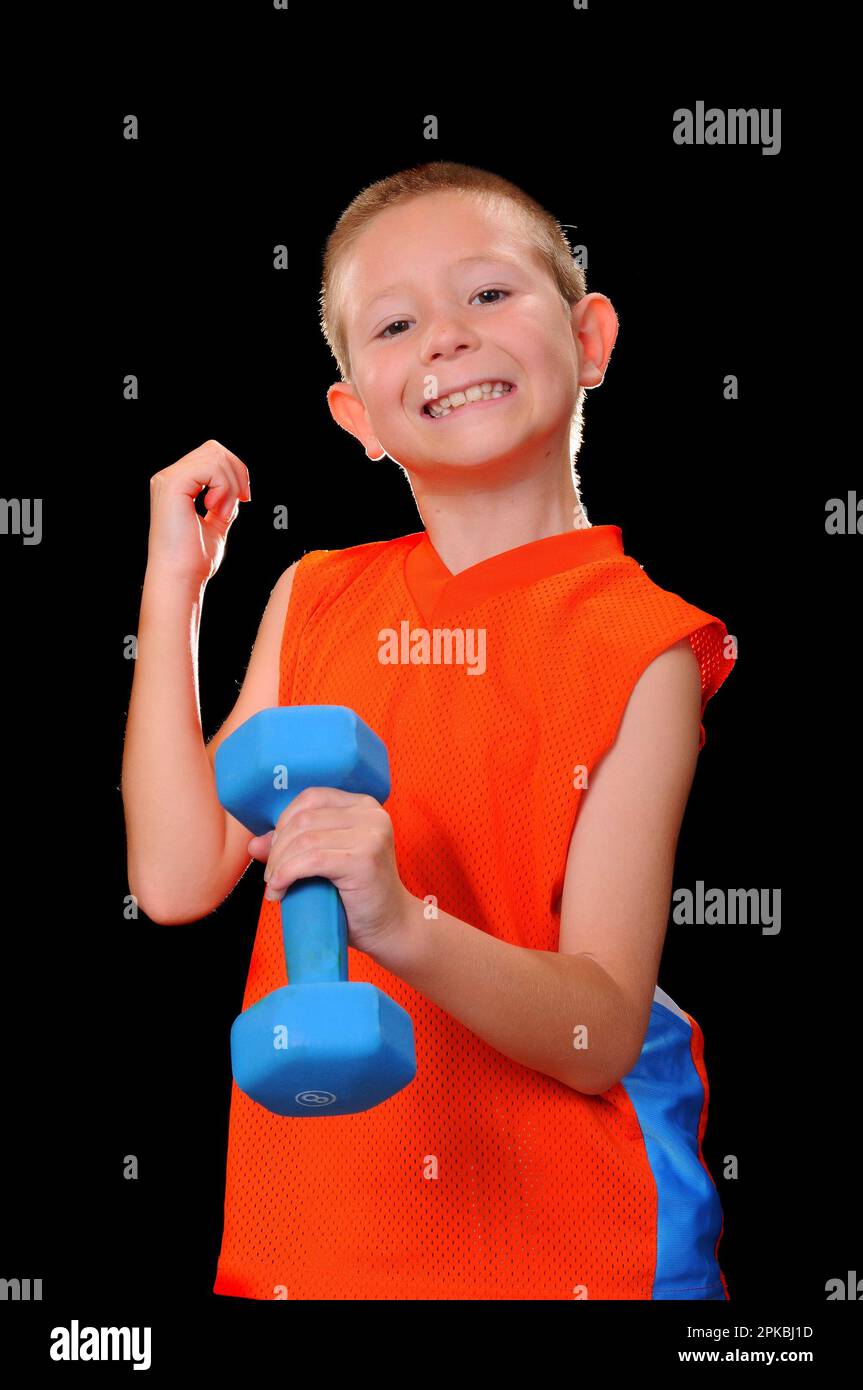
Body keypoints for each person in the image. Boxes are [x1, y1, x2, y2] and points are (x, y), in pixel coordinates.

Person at [122, 160, 737, 1300]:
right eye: (398, 321)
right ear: (356, 414)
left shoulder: (645, 646)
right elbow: (171, 873)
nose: (447, 338)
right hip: (307, 1246)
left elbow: (599, 1028)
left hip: (554, 1257)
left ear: (590, 337)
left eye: (489, 295)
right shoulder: (313, 597)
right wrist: (176, 588)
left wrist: (399, 922)